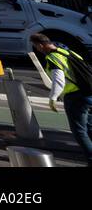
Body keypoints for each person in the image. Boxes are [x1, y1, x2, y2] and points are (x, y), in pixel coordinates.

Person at [31, 33, 92, 165]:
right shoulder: (67, 52)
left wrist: (53, 98)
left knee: (80, 131)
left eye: (36, 46)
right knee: (89, 127)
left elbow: (58, 81)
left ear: (40, 45)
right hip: (89, 93)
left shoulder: (53, 58)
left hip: (76, 97)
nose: (37, 49)